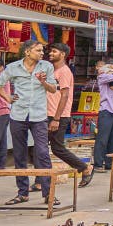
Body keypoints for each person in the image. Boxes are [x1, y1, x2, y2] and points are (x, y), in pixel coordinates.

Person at [0, 41, 57, 205]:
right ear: (27, 52)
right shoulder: (13, 67)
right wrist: (8, 98)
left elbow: (53, 89)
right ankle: (22, 193)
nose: (42, 53)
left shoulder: (46, 66)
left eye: (42, 50)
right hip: (18, 115)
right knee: (19, 154)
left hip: (39, 116)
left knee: (43, 152)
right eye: (38, 50)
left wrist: (44, 82)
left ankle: (48, 193)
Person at [38, 44, 94, 189]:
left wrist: (57, 118)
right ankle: (40, 180)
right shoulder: (52, 71)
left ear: (62, 54)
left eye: (54, 51)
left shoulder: (64, 72)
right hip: (47, 113)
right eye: (50, 51)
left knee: (56, 148)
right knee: (41, 147)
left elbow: (65, 95)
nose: (50, 53)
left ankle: (84, 168)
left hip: (58, 115)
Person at [0, 60, 10, 169]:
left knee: (0, 139)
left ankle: (1, 166)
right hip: (4, 112)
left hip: (1, 111)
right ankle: (1, 167)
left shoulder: (1, 77)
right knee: (2, 140)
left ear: (1, 67)